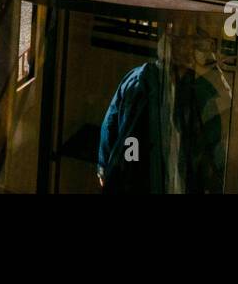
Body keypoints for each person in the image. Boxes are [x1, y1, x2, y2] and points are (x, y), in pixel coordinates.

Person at [97, 19, 229, 194]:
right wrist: (109, 166)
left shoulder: (201, 93)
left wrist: (106, 166)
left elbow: (214, 152)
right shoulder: (139, 81)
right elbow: (119, 130)